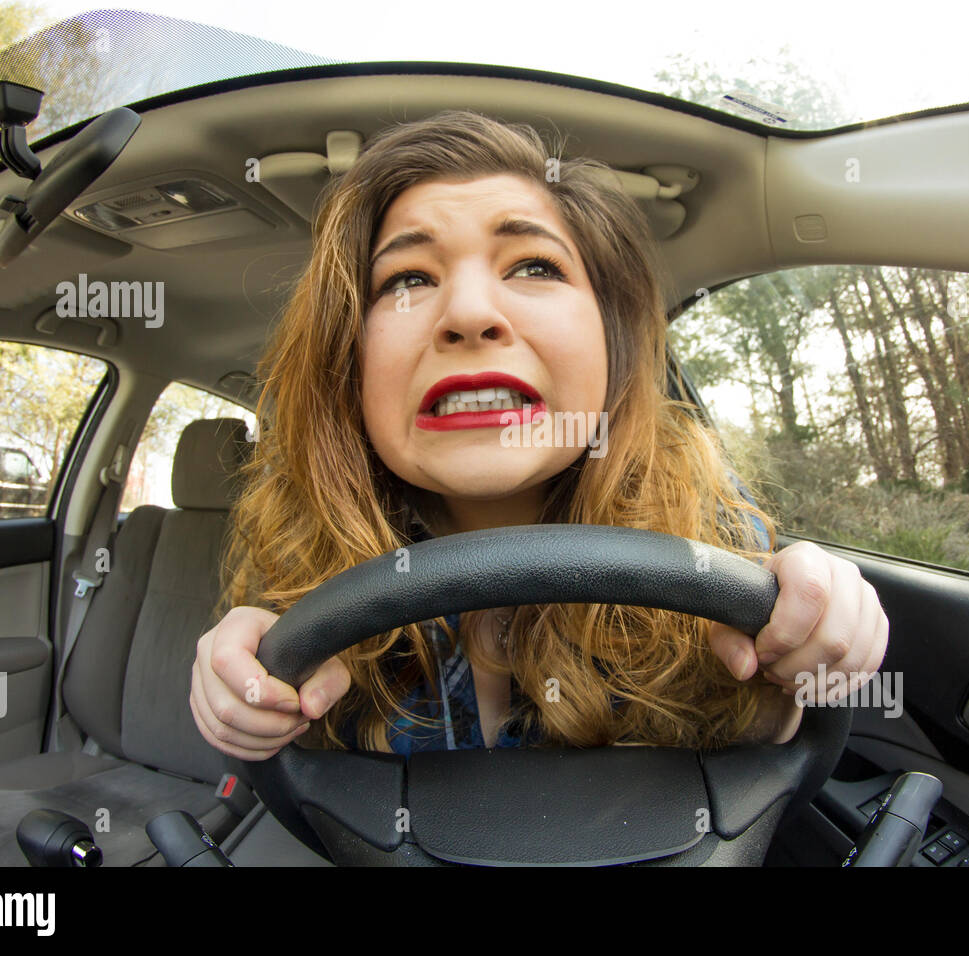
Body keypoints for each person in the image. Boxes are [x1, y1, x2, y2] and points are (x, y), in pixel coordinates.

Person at [190, 109, 888, 761]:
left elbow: (765, 742)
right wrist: (241, 684)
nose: (466, 312)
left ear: (612, 342)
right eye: (407, 278)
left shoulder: (714, 539)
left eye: (533, 266)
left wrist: (816, 643)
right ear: (352, 360)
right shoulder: (298, 576)